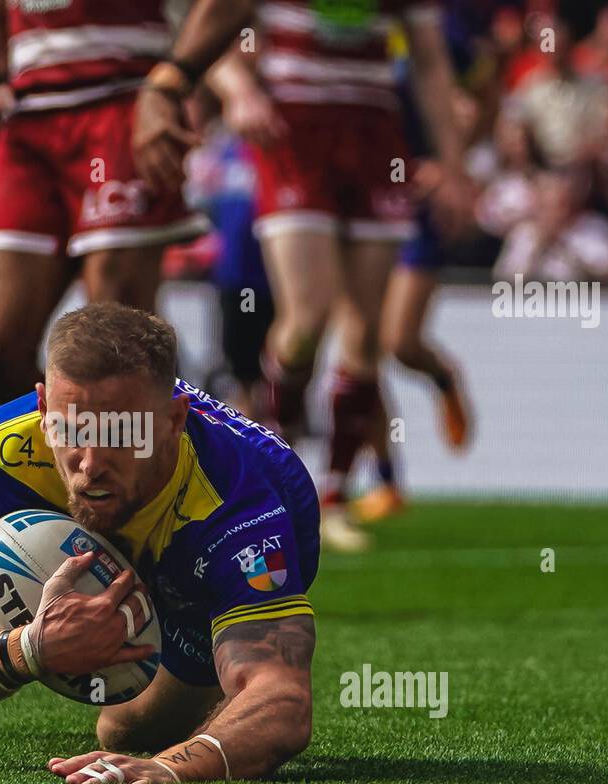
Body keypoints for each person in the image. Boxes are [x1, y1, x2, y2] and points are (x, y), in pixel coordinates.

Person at [0, 303, 320, 784]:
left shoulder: (242, 504)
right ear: (42, 409)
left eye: (123, 434)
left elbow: (283, 701)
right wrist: (31, 648)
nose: (90, 464)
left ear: (172, 420)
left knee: (130, 732)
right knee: (126, 730)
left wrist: (172, 766)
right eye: (72, 430)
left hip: (198, 573)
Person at [135, 0, 470, 552]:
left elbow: (431, 63)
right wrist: (240, 90)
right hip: (293, 134)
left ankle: (331, 496)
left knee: (365, 330)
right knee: (307, 320)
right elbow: (209, 28)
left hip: (375, 137)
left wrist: (453, 164)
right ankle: (279, 469)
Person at [0, 0, 211, 403]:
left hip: (121, 105)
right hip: (27, 120)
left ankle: (170, 452)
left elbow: (232, 7)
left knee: (116, 346)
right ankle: (69, 455)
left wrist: (170, 82)